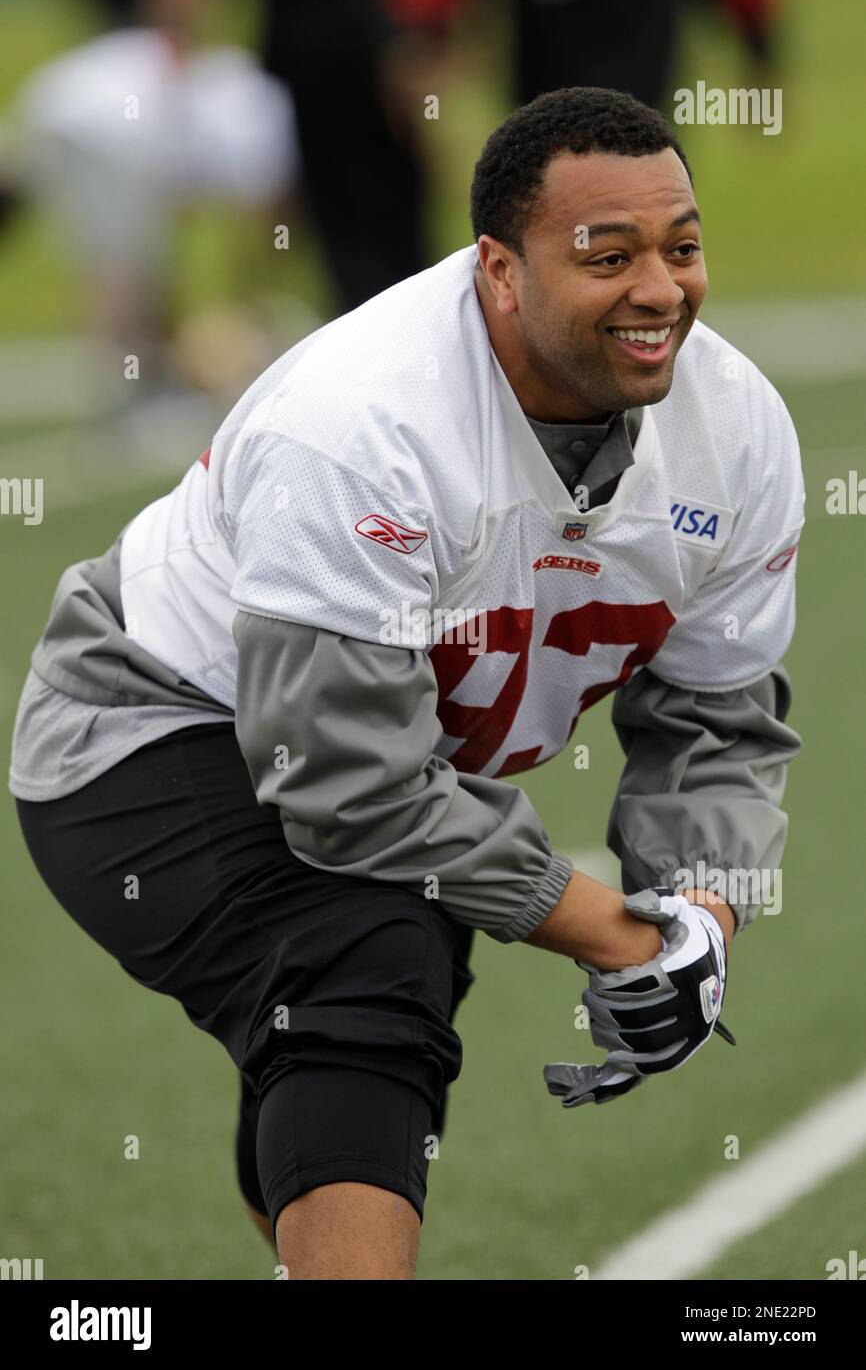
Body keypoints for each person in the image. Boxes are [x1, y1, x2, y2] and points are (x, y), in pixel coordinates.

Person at [9, 86, 804, 1281]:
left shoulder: (735, 428)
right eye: (606, 255)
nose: (658, 289)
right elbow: (346, 787)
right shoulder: (363, 422)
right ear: (495, 270)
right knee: (373, 955)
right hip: (147, 727)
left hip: (385, 759)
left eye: (680, 247)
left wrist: (696, 915)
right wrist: (611, 931)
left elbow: (716, 718)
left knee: (372, 983)